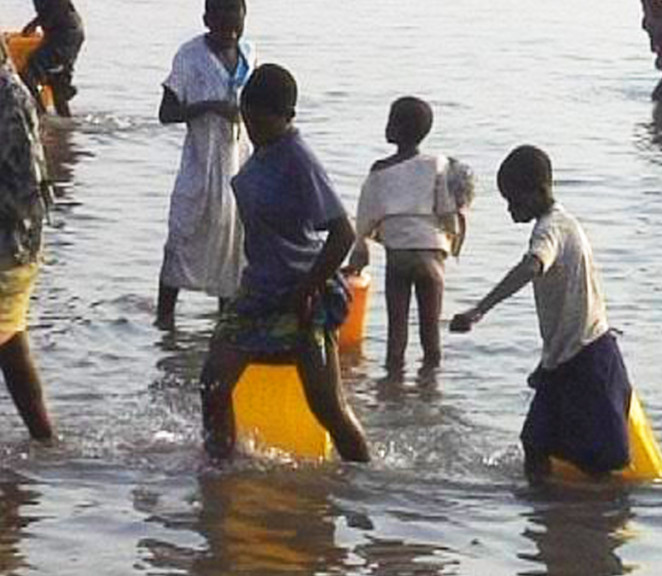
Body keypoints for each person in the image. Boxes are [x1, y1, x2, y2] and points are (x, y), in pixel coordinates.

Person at [198, 63, 369, 462]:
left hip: (303, 297)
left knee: (327, 407)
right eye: (248, 117)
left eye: (262, 120)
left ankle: (366, 482)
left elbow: (342, 233)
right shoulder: (260, 156)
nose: (253, 128)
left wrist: (308, 287)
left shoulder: (297, 158)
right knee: (213, 384)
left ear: (286, 117)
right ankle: (220, 467)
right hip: (258, 292)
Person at [450, 145, 632, 483]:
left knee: (600, 460)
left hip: (588, 355)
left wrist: (479, 309)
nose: (509, 210)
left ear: (539, 191)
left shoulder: (552, 229)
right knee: (535, 442)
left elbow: (531, 266)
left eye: (514, 201)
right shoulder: (562, 224)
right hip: (563, 358)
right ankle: (546, 516)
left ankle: (599, 521)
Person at [155, 0, 255, 329]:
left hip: (239, 167)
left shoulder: (249, 55)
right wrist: (210, 106)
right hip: (201, 166)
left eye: (234, 13)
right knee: (182, 241)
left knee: (233, 251)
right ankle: (165, 324)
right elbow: (166, 113)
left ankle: (225, 329)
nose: (227, 22)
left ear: (244, 17)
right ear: (206, 18)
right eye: (220, 14)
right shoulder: (190, 56)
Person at [348, 97, 458, 377]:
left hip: (399, 257)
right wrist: (454, 235)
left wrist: (360, 251)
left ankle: (392, 388)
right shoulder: (438, 165)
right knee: (430, 335)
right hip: (431, 256)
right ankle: (429, 390)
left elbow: (365, 218)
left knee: (396, 334)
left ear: (396, 128)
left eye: (390, 120)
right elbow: (447, 211)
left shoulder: (379, 171)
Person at [0, 40, 54, 440]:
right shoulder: (10, 90)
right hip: (19, 240)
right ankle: (44, 438)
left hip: (10, 242)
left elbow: (22, 183)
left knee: (10, 339)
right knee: (10, 339)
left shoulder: (7, 97)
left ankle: (44, 437)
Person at [20, 0, 84, 117]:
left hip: (64, 35)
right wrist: (36, 23)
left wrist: (36, 23)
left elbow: (59, 7)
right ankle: (65, 125)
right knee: (56, 82)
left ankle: (40, 115)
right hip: (68, 31)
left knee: (28, 74)